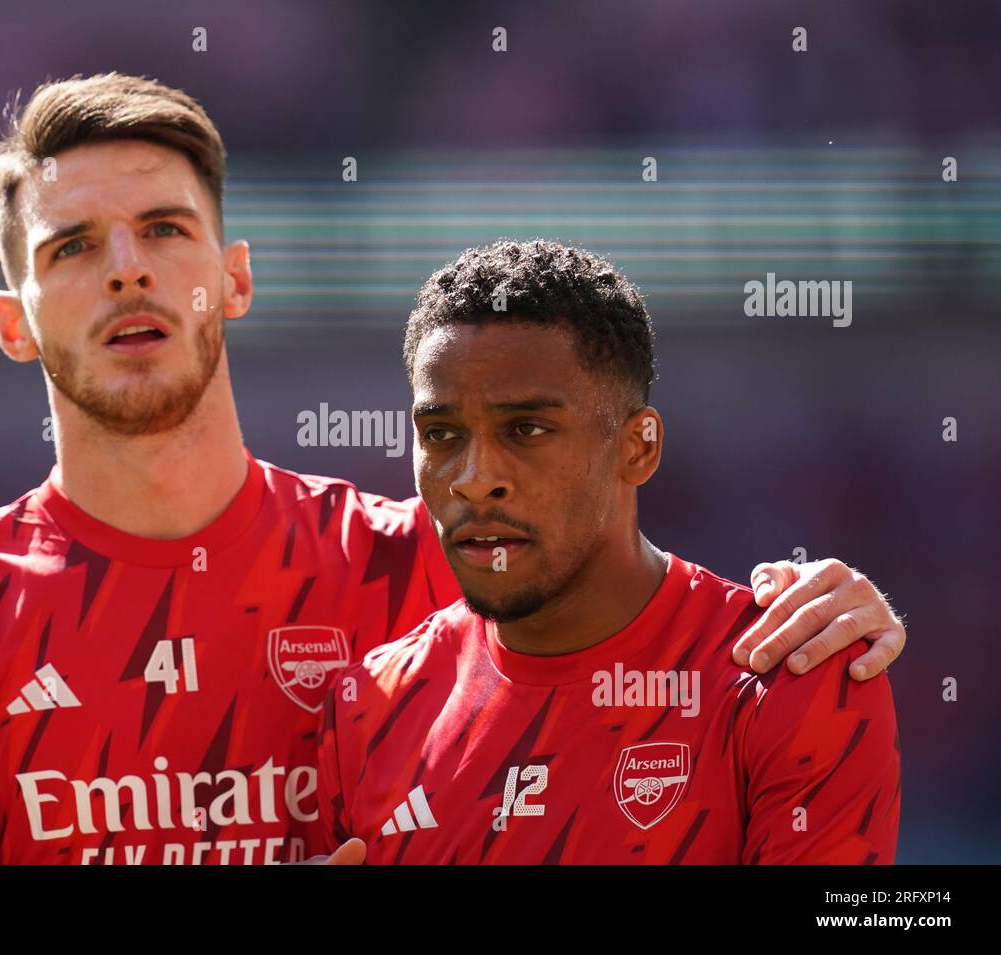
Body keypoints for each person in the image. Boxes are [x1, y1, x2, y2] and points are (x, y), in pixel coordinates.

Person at [0, 74, 905, 865]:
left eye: (165, 227)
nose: (128, 267)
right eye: (72, 247)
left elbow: (646, 635)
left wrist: (813, 614)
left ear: (233, 278)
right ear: (13, 323)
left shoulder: (429, 567)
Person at [316, 240, 899, 864]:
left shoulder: (792, 678)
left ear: (638, 447)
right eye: (441, 435)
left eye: (527, 429)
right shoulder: (366, 707)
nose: (475, 477)